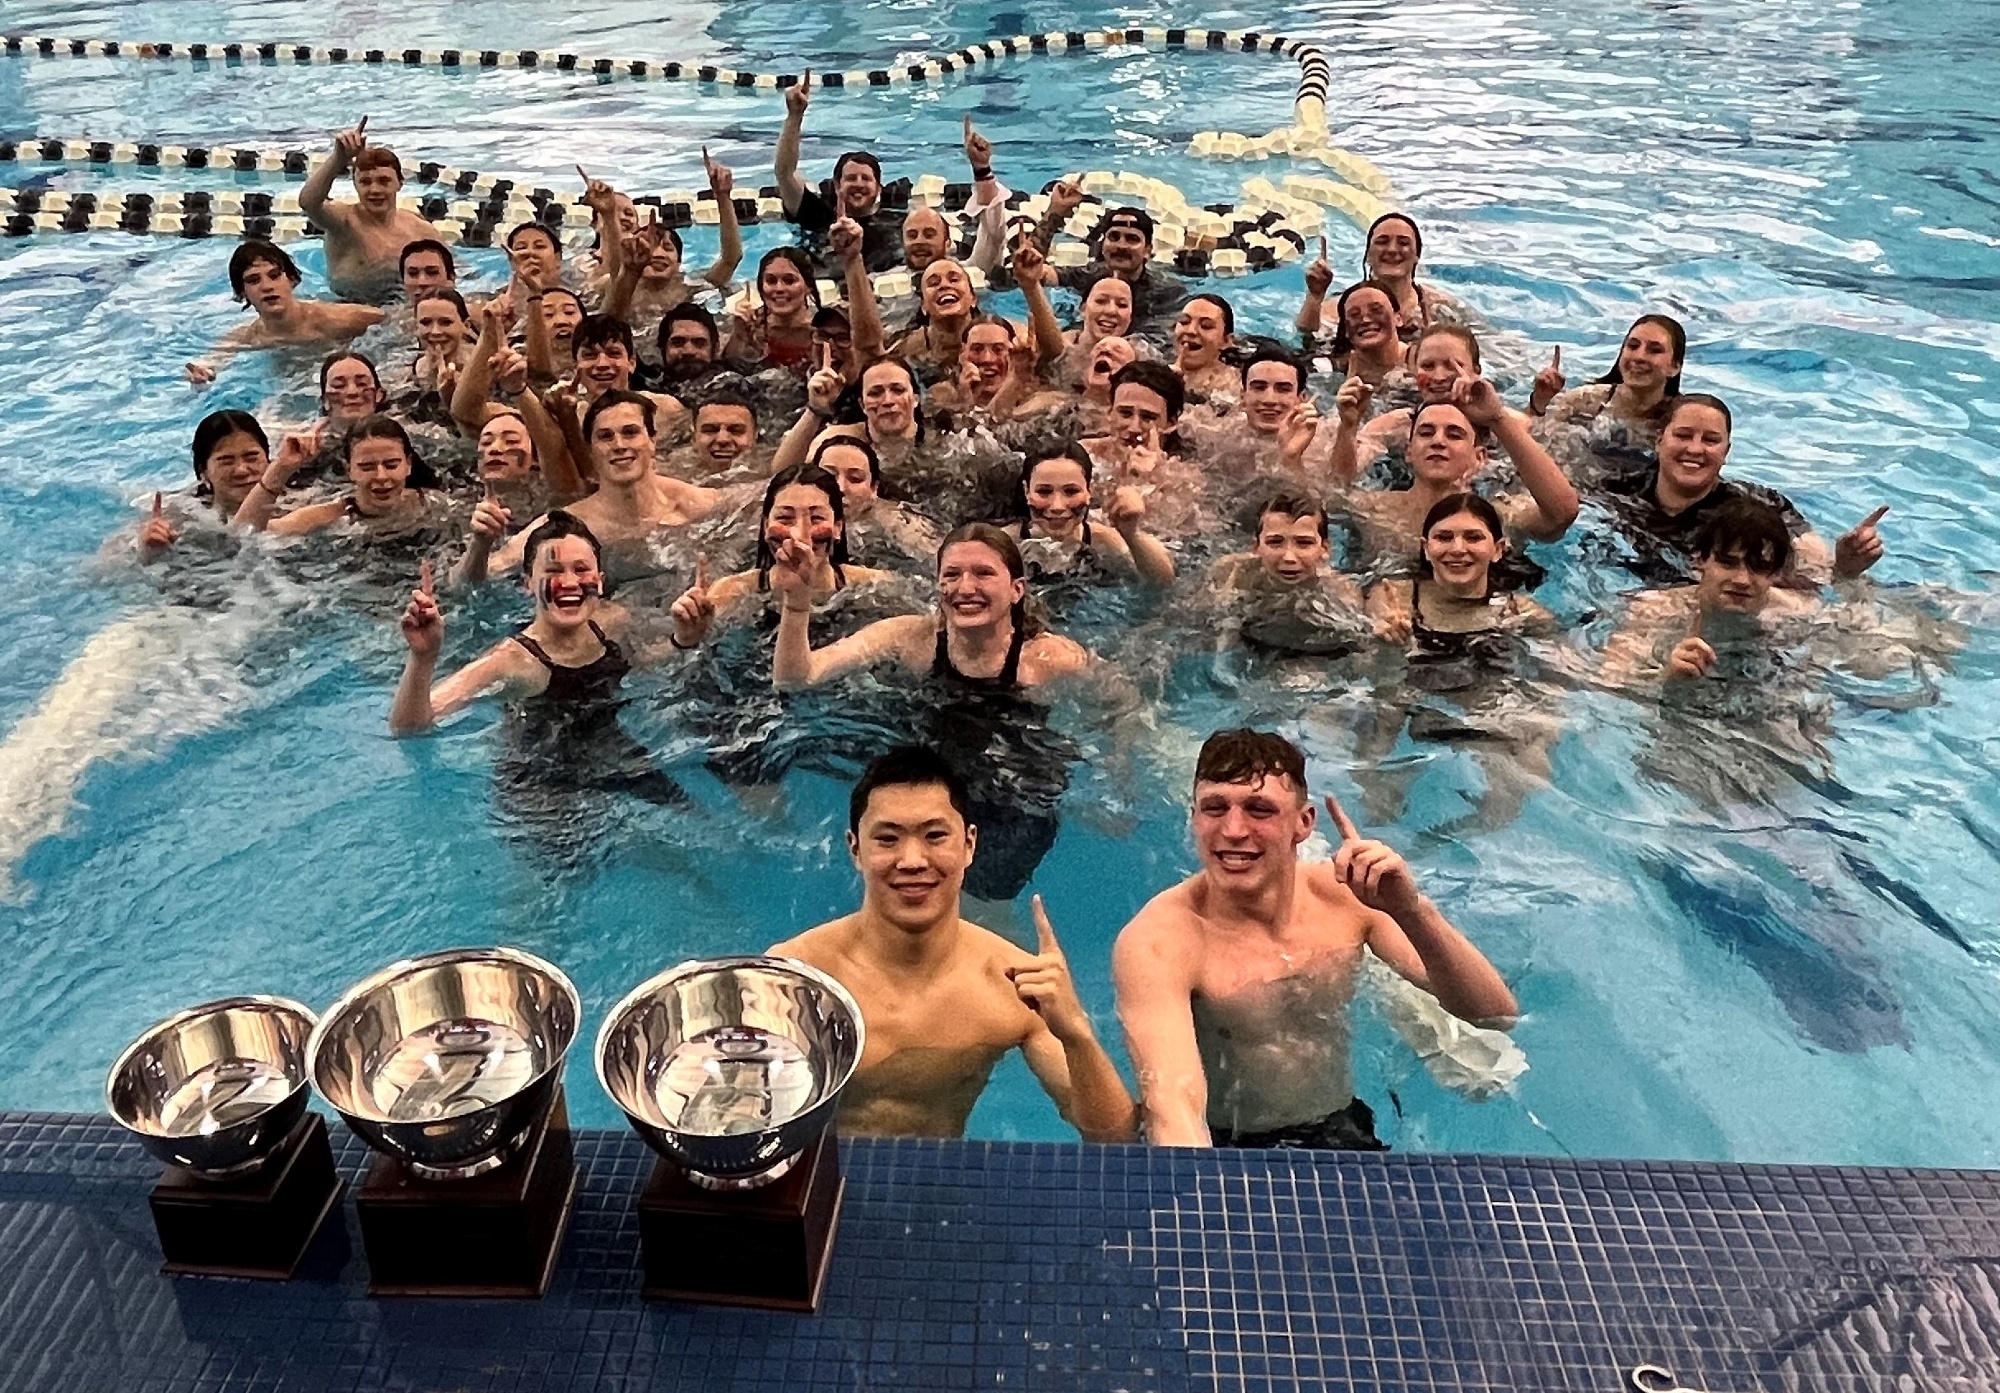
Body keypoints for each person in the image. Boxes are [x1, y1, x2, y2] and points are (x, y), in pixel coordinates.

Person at [1111, 728, 1517, 1148]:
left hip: (1339, 1125)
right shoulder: (1159, 942)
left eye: (1259, 810)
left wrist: (1412, 911)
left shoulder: (1345, 899)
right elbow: (1171, 1103)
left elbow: (1492, 1014)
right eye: (1215, 808)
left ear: (1303, 824)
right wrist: (1208, 1198)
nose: (1233, 830)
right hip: (1224, 1145)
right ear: (1193, 818)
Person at [767, 746, 1135, 1140]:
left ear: (969, 845)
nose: (911, 860)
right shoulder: (795, 979)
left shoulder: (1011, 981)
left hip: (937, 1183)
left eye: (935, 836)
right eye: (888, 839)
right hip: (818, 1186)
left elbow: (1114, 1136)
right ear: (855, 849)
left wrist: (1075, 1030)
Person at [391, 513, 686, 830]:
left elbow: (644, 662)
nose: (570, 583)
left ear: (599, 580)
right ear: (527, 584)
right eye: (554, 571)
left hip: (614, 752)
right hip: (541, 784)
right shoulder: (512, 661)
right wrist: (423, 657)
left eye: (581, 569)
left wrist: (683, 639)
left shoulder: (613, 622)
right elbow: (411, 726)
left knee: (692, 828)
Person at [1599, 393, 1887, 587]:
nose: (1695, 449)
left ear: (1727, 452)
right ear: (1659, 441)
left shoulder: (1760, 505)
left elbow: (1815, 571)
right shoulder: (1617, 492)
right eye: (1683, 435)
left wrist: (1844, 568)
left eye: (1711, 440)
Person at [464, 391, 733, 584]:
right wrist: (480, 543)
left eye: (630, 433)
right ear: (591, 451)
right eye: (605, 437)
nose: (619, 445)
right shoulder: (566, 527)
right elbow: (467, 584)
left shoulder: (699, 504)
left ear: (652, 441)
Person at [1598, 495, 1820, 688]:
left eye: (1760, 567)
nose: (1742, 580)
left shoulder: (1799, 614)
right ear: (1700, 561)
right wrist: (1667, 677)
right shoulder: (1654, 611)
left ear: (1777, 574)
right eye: (1728, 563)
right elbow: (1610, 682)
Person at [1340, 390, 1580, 567]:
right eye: (1426, 432)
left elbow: (1562, 513)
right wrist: (1348, 429)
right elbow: (1323, 494)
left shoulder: (1499, 516)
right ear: (1409, 452)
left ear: (1479, 458)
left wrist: (1498, 419)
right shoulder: (1372, 509)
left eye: (1454, 435)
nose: (1438, 441)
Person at [668, 463, 894, 650]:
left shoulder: (874, 586)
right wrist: (686, 640)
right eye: (785, 519)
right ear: (766, 526)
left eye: (816, 519)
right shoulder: (733, 592)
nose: (799, 535)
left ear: (837, 527)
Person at [184, 241, 384, 383]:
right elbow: (210, 362)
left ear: (292, 280)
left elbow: (392, 320)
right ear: (242, 293)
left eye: (274, 276)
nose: (266, 286)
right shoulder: (249, 336)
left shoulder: (335, 319)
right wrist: (201, 373)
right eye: (254, 280)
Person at [774, 71, 906, 272]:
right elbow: (784, 172)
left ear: (879, 188)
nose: (859, 184)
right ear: (837, 185)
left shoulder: (894, 224)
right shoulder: (817, 216)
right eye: (851, 178)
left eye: (866, 179)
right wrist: (795, 116)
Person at [296, 119, 441, 301]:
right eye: (365, 182)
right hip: (351, 307)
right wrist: (338, 159)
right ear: (355, 185)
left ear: (400, 183)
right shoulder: (344, 221)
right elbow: (308, 202)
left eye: (383, 181)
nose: (374, 190)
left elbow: (454, 270)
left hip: (403, 305)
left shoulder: (418, 228)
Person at [236, 413, 443, 536]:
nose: (381, 476)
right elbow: (244, 533)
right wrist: (281, 468)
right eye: (367, 467)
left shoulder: (435, 505)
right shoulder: (327, 517)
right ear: (349, 470)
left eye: (391, 464)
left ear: (408, 465)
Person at [603, 149, 743, 329]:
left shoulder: (692, 287)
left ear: (679, 263)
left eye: (668, 247)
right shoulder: (617, 289)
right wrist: (607, 215)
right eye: (649, 247)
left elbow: (731, 258)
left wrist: (723, 197)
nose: (658, 253)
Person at [1009, 444, 1175, 587]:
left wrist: (1131, 534)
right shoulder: (1008, 543)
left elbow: (1162, 581)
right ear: (1026, 492)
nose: (1057, 506)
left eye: (1071, 491)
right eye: (1044, 492)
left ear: (1089, 492)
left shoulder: (1104, 542)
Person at [1530, 313, 1686, 462]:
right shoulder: (1585, 401)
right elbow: (1531, 439)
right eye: (1633, 346)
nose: (1639, 357)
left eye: (1655, 350)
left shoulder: (1680, 419)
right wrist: (1540, 402)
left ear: (1675, 367)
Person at [1172, 294, 1239, 401]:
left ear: (1227, 341)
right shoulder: (1156, 362)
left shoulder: (1230, 387)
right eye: (1184, 321)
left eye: (1206, 326)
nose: (1191, 330)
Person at [656, 303, 722, 387]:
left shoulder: (730, 386)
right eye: (678, 342)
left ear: (715, 349)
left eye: (699, 343)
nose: (688, 351)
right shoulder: (648, 384)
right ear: (662, 348)